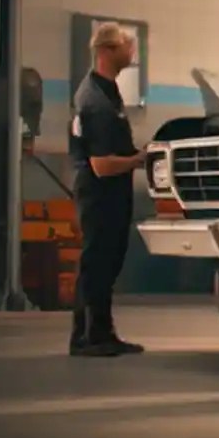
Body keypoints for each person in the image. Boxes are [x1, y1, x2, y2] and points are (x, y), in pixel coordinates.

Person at [67, 22, 147, 357]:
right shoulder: (95, 100)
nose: (132, 53)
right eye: (128, 46)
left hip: (113, 194)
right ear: (107, 50)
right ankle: (88, 337)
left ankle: (100, 332)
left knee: (107, 262)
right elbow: (101, 165)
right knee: (97, 262)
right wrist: (140, 159)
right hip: (100, 194)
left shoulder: (107, 91)